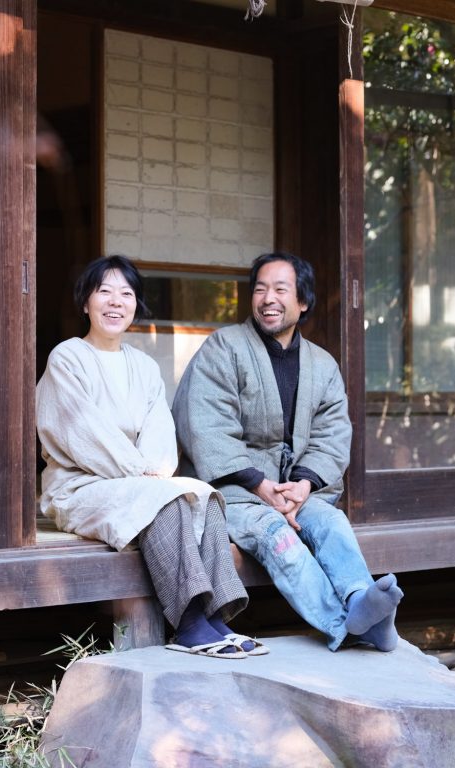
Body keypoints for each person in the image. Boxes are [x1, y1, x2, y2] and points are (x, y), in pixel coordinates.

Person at [35, 255, 267, 658]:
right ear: (85, 302)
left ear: (135, 306)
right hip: (79, 487)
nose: (114, 302)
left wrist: (156, 471)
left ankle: (215, 617)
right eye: (103, 291)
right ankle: (190, 624)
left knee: (201, 493)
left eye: (125, 293)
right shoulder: (67, 358)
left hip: (138, 481)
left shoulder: (142, 365)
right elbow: (85, 434)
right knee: (164, 499)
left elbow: (160, 427)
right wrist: (142, 476)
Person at [172, 252, 402, 652]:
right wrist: (261, 486)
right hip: (235, 493)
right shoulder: (223, 348)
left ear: (303, 301)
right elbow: (207, 426)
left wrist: (302, 486)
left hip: (295, 492)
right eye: (260, 289)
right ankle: (349, 625)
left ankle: (361, 601)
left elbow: (332, 434)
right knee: (276, 535)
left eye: (281, 289)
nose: (268, 298)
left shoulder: (322, 364)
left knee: (331, 523)